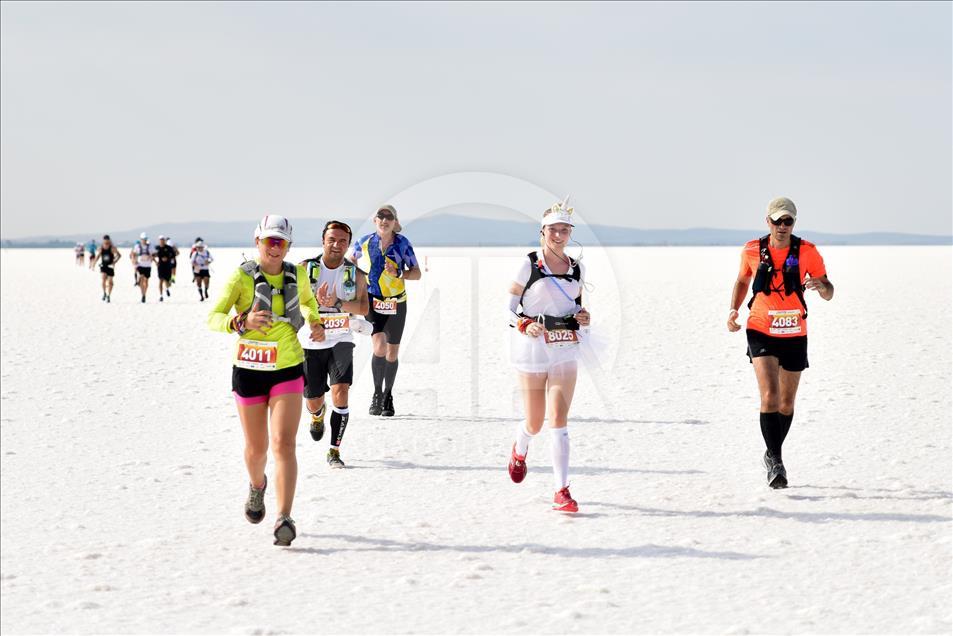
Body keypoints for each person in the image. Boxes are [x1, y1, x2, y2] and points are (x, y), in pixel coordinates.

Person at [207, 215, 323, 546]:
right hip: (248, 369)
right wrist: (240, 321)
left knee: (283, 444)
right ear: (257, 241)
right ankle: (257, 486)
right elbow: (213, 317)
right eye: (269, 241)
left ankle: (284, 517)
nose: (274, 248)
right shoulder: (240, 279)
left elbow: (309, 304)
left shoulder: (297, 274)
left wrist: (315, 322)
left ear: (288, 246)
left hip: (287, 367)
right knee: (256, 450)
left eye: (281, 242)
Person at [727, 197, 834, 489]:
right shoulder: (752, 249)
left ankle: (773, 451)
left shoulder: (808, 252)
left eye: (788, 221)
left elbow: (829, 292)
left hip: (794, 332)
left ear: (794, 223)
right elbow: (742, 281)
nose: (782, 226)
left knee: (786, 403)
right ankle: (776, 460)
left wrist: (821, 285)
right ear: (768, 222)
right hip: (761, 328)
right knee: (770, 396)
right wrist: (733, 310)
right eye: (778, 221)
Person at [506, 198, 591, 513]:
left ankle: (562, 490)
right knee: (536, 421)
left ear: (571, 232)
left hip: (565, 345)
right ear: (542, 232)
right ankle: (520, 446)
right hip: (532, 347)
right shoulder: (529, 264)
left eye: (564, 230)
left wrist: (584, 316)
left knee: (559, 419)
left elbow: (578, 305)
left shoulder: (577, 267)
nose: (559, 235)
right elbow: (509, 309)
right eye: (553, 230)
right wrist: (524, 324)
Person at [299, 221, 369, 468]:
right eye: (332, 239)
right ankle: (317, 415)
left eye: (342, 241)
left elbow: (363, 307)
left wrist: (337, 303)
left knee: (341, 391)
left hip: (341, 339)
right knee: (313, 398)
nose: (336, 244)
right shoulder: (304, 270)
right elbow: (291, 302)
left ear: (348, 244)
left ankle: (334, 450)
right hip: (311, 341)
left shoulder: (356, 275)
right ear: (323, 240)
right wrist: (313, 304)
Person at [350, 205, 421, 417]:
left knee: (392, 352)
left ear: (394, 222)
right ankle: (377, 394)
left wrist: (399, 272)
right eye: (380, 216)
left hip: (397, 302)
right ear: (375, 221)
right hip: (372, 300)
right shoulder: (363, 242)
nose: (384, 220)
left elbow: (417, 273)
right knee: (379, 345)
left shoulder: (403, 244)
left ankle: (388, 395)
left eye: (389, 217)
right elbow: (349, 263)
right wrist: (355, 282)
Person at [91, 235, 121, 302]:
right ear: (103, 240)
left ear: (109, 240)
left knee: (110, 283)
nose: (105, 241)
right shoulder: (101, 248)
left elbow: (119, 255)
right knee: (103, 278)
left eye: (107, 239)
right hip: (103, 266)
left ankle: (108, 295)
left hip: (110, 266)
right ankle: (104, 293)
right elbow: (98, 256)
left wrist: (114, 262)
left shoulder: (112, 248)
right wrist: (94, 264)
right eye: (104, 239)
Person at [130, 232, 154, 303]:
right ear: (141, 239)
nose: (144, 240)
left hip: (148, 265)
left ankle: (144, 294)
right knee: (141, 278)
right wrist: (134, 261)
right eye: (143, 239)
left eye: (145, 239)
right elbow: (133, 254)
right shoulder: (137, 246)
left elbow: (154, 254)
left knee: (146, 281)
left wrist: (151, 257)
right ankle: (142, 294)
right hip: (140, 265)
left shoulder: (150, 246)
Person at [154, 235, 176, 301]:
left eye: (163, 240)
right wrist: (156, 262)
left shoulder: (169, 248)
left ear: (164, 240)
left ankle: (167, 289)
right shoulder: (157, 248)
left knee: (167, 281)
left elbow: (173, 256)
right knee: (161, 280)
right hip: (160, 266)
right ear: (159, 241)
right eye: (160, 240)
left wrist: (168, 259)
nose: (162, 241)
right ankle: (161, 296)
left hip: (168, 266)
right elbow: (152, 255)